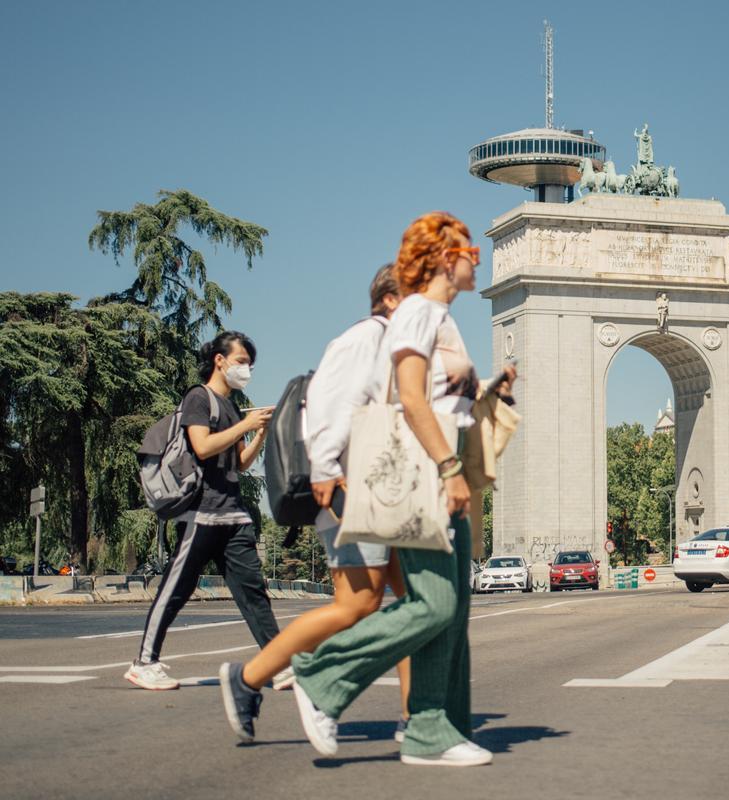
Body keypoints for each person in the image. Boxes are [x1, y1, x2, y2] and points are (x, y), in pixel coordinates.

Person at [289, 211, 516, 767]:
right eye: (469, 251)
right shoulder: (417, 311)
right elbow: (410, 398)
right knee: (433, 604)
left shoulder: (439, 316)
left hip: (445, 467)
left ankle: (435, 731)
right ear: (443, 258)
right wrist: (447, 468)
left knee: (454, 612)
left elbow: (439, 397)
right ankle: (322, 676)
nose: (475, 261)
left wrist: (490, 387)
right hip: (425, 473)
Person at [218, 265, 412, 742]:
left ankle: (417, 715)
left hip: (382, 485)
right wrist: (327, 470)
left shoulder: (393, 346)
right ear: (391, 300)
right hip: (351, 489)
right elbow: (325, 405)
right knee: (356, 605)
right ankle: (250, 679)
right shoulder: (362, 340)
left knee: (414, 604)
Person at [125, 331, 282, 690]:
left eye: (250, 365)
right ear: (220, 360)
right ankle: (144, 663)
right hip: (201, 513)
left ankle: (276, 663)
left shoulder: (230, 405)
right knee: (176, 590)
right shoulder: (200, 398)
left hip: (232, 513)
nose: (247, 370)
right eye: (242, 362)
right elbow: (202, 445)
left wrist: (258, 433)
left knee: (253, 592)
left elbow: (239, 464)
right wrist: (245, 424)